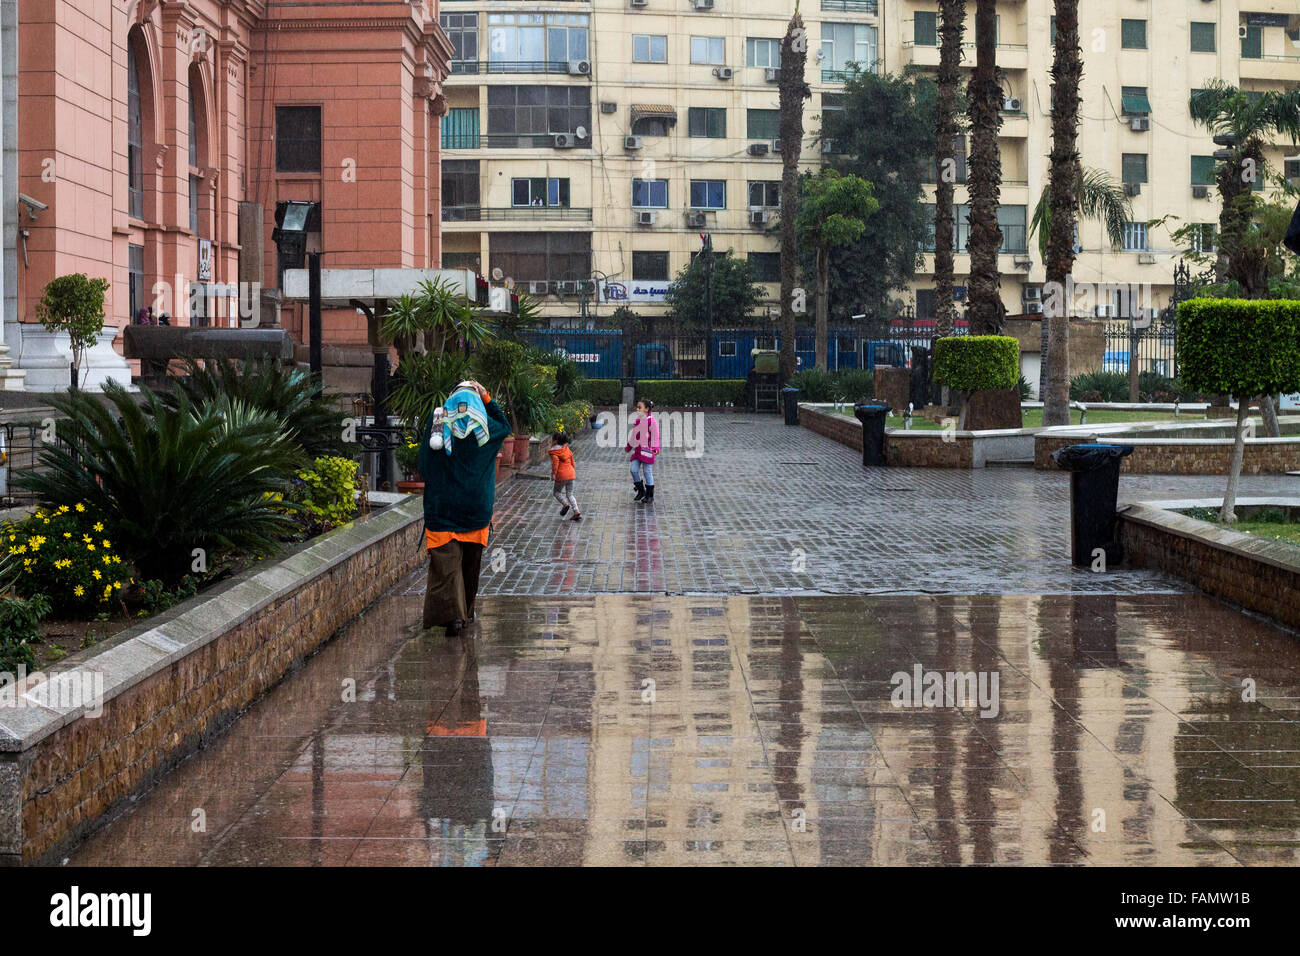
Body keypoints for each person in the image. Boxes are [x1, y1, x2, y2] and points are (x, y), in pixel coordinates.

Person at [418, 379, 512, 635]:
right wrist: (487, 397)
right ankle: (465, 613)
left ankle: (454, 618)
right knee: (470, 567)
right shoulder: (489, 429)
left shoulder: (437, 425)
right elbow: (506, 425)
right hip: (476, 509)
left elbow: (423, 466)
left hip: (442, 508)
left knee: (446, 567)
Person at [625, 398, 660, 503]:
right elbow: (634, 436)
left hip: (648, 451)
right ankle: (641, 491)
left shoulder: (651, 421)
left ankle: (650, 495)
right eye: (637, 407)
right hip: (638, 451)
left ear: (647, 409)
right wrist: (629, 446)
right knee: (633, 469)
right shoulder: (638, 421)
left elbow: (656, 436)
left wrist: (656, 448)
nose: (637, 409)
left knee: (647, 471)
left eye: (640, 407)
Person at [548, 431, 581, 521]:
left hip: (562, 475)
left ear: (555, 441)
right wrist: (572, 470)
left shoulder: (554, 451)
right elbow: (572, 460)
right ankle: (576, 510)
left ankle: (565, 504)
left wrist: (554, 474)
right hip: (571, 473)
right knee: (570, 494)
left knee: (556, 492)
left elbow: (555, 463)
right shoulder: (566, 449)